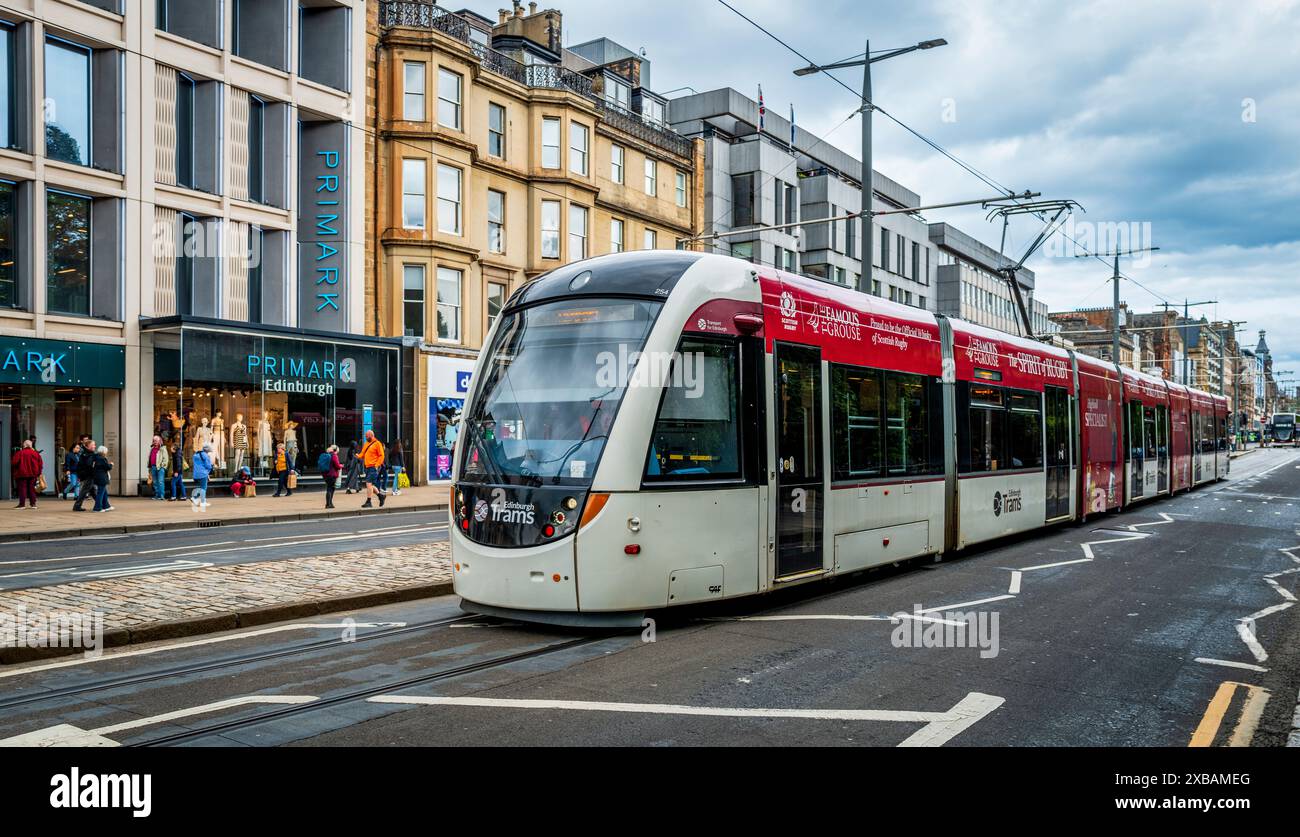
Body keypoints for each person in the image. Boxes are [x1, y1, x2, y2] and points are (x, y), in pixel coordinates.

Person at [11, 439, 43, 509]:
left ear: (24, 445)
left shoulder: (20, 453)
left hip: (22, 474)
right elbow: (40, 464)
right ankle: (33, 504)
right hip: (33, 474)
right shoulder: (36, 454)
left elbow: (14, 463)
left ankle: (22, 504)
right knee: (32, 489)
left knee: (22, 489)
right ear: (31, 446)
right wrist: (39, 473)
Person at [360, 430, 386, 509]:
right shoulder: (366, 444)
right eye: (365, 436)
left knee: (368, 484)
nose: (365, 437)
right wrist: (358, 456)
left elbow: (381, 456)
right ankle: (381, 496)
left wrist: (376, 465)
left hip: (373, 467)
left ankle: (369, 501)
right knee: (370, 485)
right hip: (367, 467)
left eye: (367, 436)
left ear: (371, 435)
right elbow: (363, 453)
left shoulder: (377, 443)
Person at [71, 440, 97, 511]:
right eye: (93, 445)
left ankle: (101, 503)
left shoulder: (85, 453)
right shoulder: (89, 454)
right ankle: (77, 506)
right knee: (84, 491)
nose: (95, 446)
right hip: (88, 474)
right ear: (89, 446)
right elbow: (89, 465)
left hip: (85, 474)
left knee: (92, 491)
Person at [92, 446, 113, 512]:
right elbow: (107, 467)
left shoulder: (96, 457)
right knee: (100, 493)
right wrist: (111, 464)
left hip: (98, 477)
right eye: (106, 451)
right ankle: (97, 508)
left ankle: (106, 506)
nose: (106, 452)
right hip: (102, 478)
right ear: (103, 452)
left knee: (104, 492)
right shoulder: (102, 459)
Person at [192, 443, 213, 509]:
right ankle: (203, 502)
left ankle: (194, 498)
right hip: (203, 474)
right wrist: (211, 468)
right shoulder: (206, 456)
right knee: (203, 488)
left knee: (201, 488)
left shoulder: (196, 454)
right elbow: (208, 466)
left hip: (196, 474)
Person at [148, 436, 170, 500]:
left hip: (160, 468)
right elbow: (149, 458)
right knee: (155, 482)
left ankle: (162, 496)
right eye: (154, 441)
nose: (155, 442)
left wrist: (162, 466)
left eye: (156, 441)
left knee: (160, 481)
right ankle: (157, 495)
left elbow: (166, 459)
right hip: (153, 467)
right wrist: (149, 467)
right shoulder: (152, 449)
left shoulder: (163, 449)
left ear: (160, 441)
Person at [321, 444, 343, 509]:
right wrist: (342, 466)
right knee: (330, 489)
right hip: (332, 475)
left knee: (329, 488)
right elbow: (337, 466)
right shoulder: (334, 455)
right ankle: (328, 504)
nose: (337, 453)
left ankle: (329, 503)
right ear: (335, 450)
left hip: (326, 474)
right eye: (337, 451)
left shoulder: (327, 455)